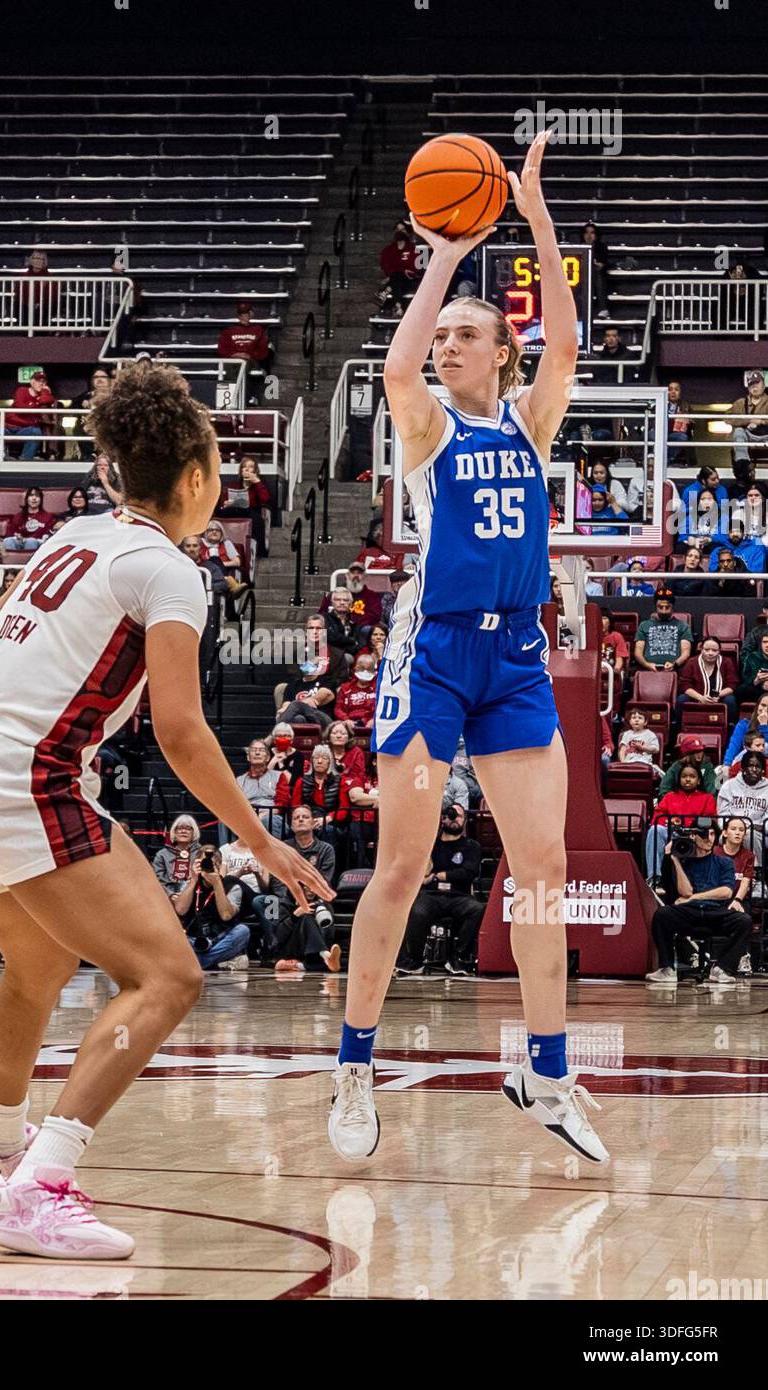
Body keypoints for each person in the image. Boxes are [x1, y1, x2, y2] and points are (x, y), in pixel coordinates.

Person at [0, 360, 331, 1259]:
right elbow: (182, 732)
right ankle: (39, 1185)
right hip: (20, 774)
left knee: (36, 962)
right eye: (217, 467)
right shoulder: (170, 571)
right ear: (192, 479)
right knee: (170, 977)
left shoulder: (72, 536)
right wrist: (258, 838)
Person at [328, 134, 610, 1164]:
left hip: (515, 660)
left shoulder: (528, 427)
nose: (445, 345)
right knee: (398, 869)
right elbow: (396, 363)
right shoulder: (429, 428)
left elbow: (568, 353)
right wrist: (444, 248)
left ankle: (544, 1069)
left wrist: (533, 221)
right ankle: (354, 1065)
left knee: (538, 866)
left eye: (464, 335)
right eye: (441, 333)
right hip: (435, 653)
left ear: (501, 350)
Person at [646, 820, 754, 987]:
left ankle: (721, 968)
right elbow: (685, 892)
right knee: (662, 915)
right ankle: (667, 968)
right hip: (689, 913)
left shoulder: (723, 862)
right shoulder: (684, 862)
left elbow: (726, 891)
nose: (709, 838)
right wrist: (674, 859)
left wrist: (695, 897)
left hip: (716, 913)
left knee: (744, 921)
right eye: (704, 834)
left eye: (712, 834)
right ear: (693, 836)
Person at [396, 804, 484, 976]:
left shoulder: (471, 846)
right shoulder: (431, 845)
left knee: (476, 909)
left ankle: (460, 958)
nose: (454, 819)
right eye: (451, 815)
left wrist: (439, 875)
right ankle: (414, 961)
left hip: (459, 896)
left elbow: (469, 871)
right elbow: (421, 871)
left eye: (459, 816)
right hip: (432, 895)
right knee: (417, 910)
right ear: (443, 818)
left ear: (465, 821)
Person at [252, 804, 339, 973]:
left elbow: (323, 880)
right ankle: (272, 947)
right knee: (266, 901)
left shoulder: (325, 849)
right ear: (291, 825)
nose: (300, 819)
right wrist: (292, 900)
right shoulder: (282, 848)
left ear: (314, 823)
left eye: (305, 817)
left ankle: (294, 958)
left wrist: (306, 900)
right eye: (296, 817)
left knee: (320, 910)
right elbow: (277, 881)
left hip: (314, 897)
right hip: (286, 897)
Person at [644, 761, 717, 882]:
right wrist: (670, 821)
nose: (688, 780)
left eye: (692, 777)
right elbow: (657, 816)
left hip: (696, 834)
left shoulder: (707, 798)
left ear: (699, 781)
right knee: (655, 830)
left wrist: (691, 825)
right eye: (684, 776)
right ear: (679, 779)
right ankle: (654, 878)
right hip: (672, 833)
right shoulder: (670, 796)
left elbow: (710, 820)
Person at [0, 371, 56, 462]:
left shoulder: (43, 396)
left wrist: (45, 392)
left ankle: (25, 460)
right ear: (32, 382)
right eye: (38, 381)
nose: (41, 383)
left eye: (43, 382)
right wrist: (36, 404)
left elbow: (48, 400)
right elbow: (20, 407)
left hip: (25, 429)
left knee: (36, 432)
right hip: (8, 426)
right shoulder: (22, 390)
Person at [717, 750, 768, 864]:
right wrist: (733, 827)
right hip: (732, 829)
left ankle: (755, 874)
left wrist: (760, 826)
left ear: (763, 770)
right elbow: (722, 815)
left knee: (750, 836)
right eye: (750, 766)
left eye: (758, 766)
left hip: (759, 832)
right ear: (743, 768)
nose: (754, 769)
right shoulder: (729, 786)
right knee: (731, 836)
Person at [676, 635, 739, 727]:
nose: (710, 653)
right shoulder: (692, 662)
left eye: (714, 650)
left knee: (730, 700)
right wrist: (700, 697)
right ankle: (679, 728)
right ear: (701, 649)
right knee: (682, 699)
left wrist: (718, 695)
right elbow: (684, 685)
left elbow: (732, 685)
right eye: (707, 650)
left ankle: (730, 729)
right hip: (697, 697)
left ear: (719, 651)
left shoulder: (726, 662)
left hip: (719, 697)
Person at [234, 740, 289, 839]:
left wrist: (263, 815)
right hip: (247, 816)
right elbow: (237, 804)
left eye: (261, 750)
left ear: (268, 757)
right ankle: (226, 852)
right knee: (224, 822)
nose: (257, 753)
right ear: (248, 757)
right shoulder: (239, 780)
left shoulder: (279, 776)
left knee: (268, 820)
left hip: (271, 815)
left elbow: (282, 804)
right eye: (254, 750)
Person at [633, 589, 692, 673]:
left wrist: (675, 664)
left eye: (667, 607)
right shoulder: (644, 625)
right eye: (660, 607)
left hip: (675, 670)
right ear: (655, 606)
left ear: (673, 607)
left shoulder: (683, 626)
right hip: (648, 670)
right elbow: (638, 651)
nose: (664, 611)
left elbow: (686, 652)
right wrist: (646, 664)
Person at [730, 370, 768, 490]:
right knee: (738, 432)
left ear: (764, 385)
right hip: (749, 436)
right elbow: (727, 418)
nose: (754, 387)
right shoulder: (741, 402)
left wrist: (762, 421)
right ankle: (744, 468)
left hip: (766, 436)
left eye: (757, 383)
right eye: (752, 384)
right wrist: (747, 421)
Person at [151, 815, 201, 902]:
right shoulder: (162, 855)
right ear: (174, 832)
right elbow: (157, 880)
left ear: (194, 832)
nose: (183, 831)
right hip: (168, 898)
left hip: (195, 896)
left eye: (188, 828)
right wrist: (170, 894)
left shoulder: (201, 853)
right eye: (179, 828)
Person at [656, 733, 717, 798]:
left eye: (700, 751)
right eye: (695, 752)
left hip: (700, 802)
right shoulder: (677, 766)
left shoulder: (707, 766)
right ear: (687, 754)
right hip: (678, 801)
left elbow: (712, 791)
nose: (699, 754)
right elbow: (664, 788)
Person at [216, 301, 271, 373]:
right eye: (241, 315)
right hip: (232, 360)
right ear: (238, 316)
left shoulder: (258, 330)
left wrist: (249, 355)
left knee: (242, 367)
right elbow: (222, 349)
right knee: (232, 367)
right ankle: (232, 384)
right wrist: (234, 354)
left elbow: (263, 351)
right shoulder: (228, 331)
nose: (244, 317)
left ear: (251, 315)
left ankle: (238, 384)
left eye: (246, 314)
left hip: (250, 361)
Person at [379, 221, 422, 315]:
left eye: (402, 230)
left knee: (396, 275)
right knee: (396, 276)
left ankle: (387, 290)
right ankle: (399, 305)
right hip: (396, 280)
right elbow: (385, 265)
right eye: (397, 230)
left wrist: (394, 274)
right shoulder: (388, 250)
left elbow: (416, 268)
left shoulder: (415, 249)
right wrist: (395, 273)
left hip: (410, 280)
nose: (400, 232)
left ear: (407, 232)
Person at [3, 487, 57, 552]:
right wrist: (18, 537)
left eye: (37, 496)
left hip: (38, 543)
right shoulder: (18, 516)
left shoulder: (48, 517)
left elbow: (49, 535)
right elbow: (11, 534)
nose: (34, 498)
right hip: (20, 542)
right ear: (27, 499)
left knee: (31, 541)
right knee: (7, 541)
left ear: (41, 500)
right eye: (31, 495)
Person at [723, 694, 768, 771]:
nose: (765, 709)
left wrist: (764, 726)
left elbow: (765, 750)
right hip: (745, 766)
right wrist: (727, 764)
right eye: (763, 705)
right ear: (757, 706)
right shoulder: (744, 724)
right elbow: (734, 745)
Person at [334, 654, 378, 728]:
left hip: (372, 723)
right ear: (355, 668)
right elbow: (338, 709)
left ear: (374, 670)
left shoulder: (378, 688)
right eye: (362, 668)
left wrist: (374, 719)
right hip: (350, 722)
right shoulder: (345, 688)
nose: (365, 671)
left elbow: (382, 708)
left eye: (369, 669)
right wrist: (346, 719)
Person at [616, 707, 661, 774]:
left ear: (645, 722)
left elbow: (656, 749)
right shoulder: (626, 734)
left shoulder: (650, 734)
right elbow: (622, 750)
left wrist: (643, 748)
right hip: (628, 763)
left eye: (640, 718)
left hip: (644, 763)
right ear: (630, 721)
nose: (636, 720)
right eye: (634, 718)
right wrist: (623, 764)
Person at [665, 381, 694, 467]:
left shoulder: (686, 405)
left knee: (682, 437)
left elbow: (693, 422)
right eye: (670, 389)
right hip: (660, 431)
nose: (673, 392)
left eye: (676, 390)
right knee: (651, 434)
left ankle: (668, 460)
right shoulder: (659, 402)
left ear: (680, 393)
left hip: (676, 433)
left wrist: (688, 421)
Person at [739, 631, 768, 706]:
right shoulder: (752, 657)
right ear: (760, 644)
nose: (767, 645)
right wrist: (756, 681)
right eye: (764, 642)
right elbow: (746, 679)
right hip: (757, 690)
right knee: (741, 690)